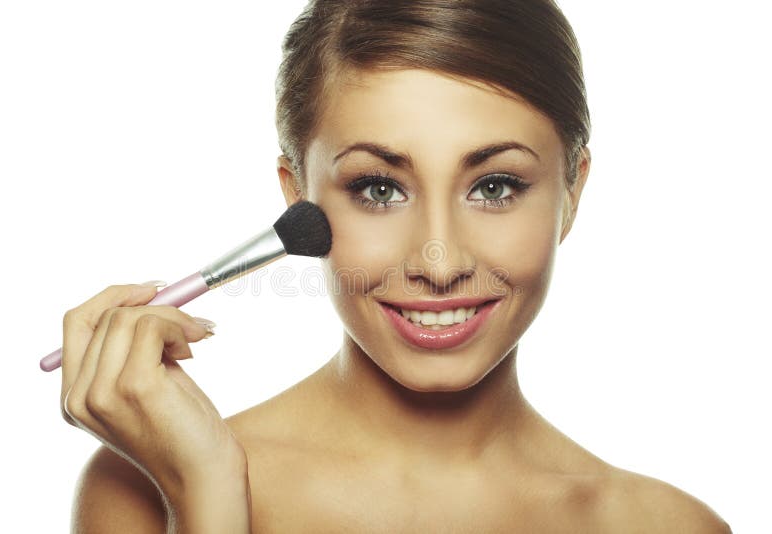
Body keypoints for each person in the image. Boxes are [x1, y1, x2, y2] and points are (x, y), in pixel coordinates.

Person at [64, 1, 732, 532]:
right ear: (299, 200)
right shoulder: (147, 488)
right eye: (379, 190)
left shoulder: (669, 525)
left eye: (495, 186)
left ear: (571, 194)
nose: (438, 263)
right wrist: (207, 495)